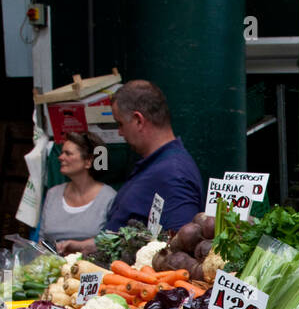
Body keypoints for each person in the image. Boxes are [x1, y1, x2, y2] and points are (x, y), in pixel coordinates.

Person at [60, 80, 204, 255]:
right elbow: (126, 236)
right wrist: (87, 246)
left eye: (120, 124)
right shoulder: (155, 164)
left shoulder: (174, 174)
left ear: (138, 120)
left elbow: (180, 252)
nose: (120, 132)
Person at [41, 132, 117, 252]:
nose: (60, 157)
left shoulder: (108, 197)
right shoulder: (53, 194)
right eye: (61, 152)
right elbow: (41, 240)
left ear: (88, 161)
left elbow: (113, 241)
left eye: (68, 153)